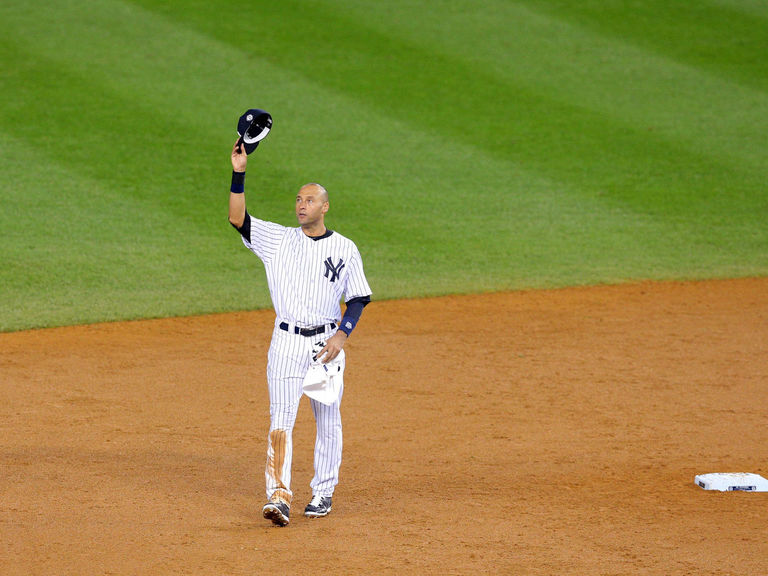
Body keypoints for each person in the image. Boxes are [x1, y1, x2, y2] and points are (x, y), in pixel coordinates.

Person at [228, 140, 372, 527]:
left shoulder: (344, 248)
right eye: (297, 199)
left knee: (327, 420)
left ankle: (323, 491)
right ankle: (278, 494)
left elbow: (358, 298)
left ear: (324, 206)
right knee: (281, 420)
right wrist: (238, 171)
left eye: (309, 200)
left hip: (326, 344)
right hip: (286, 341)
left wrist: (342, 335)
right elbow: (237, 219)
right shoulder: (278, 240)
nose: (301, 205)